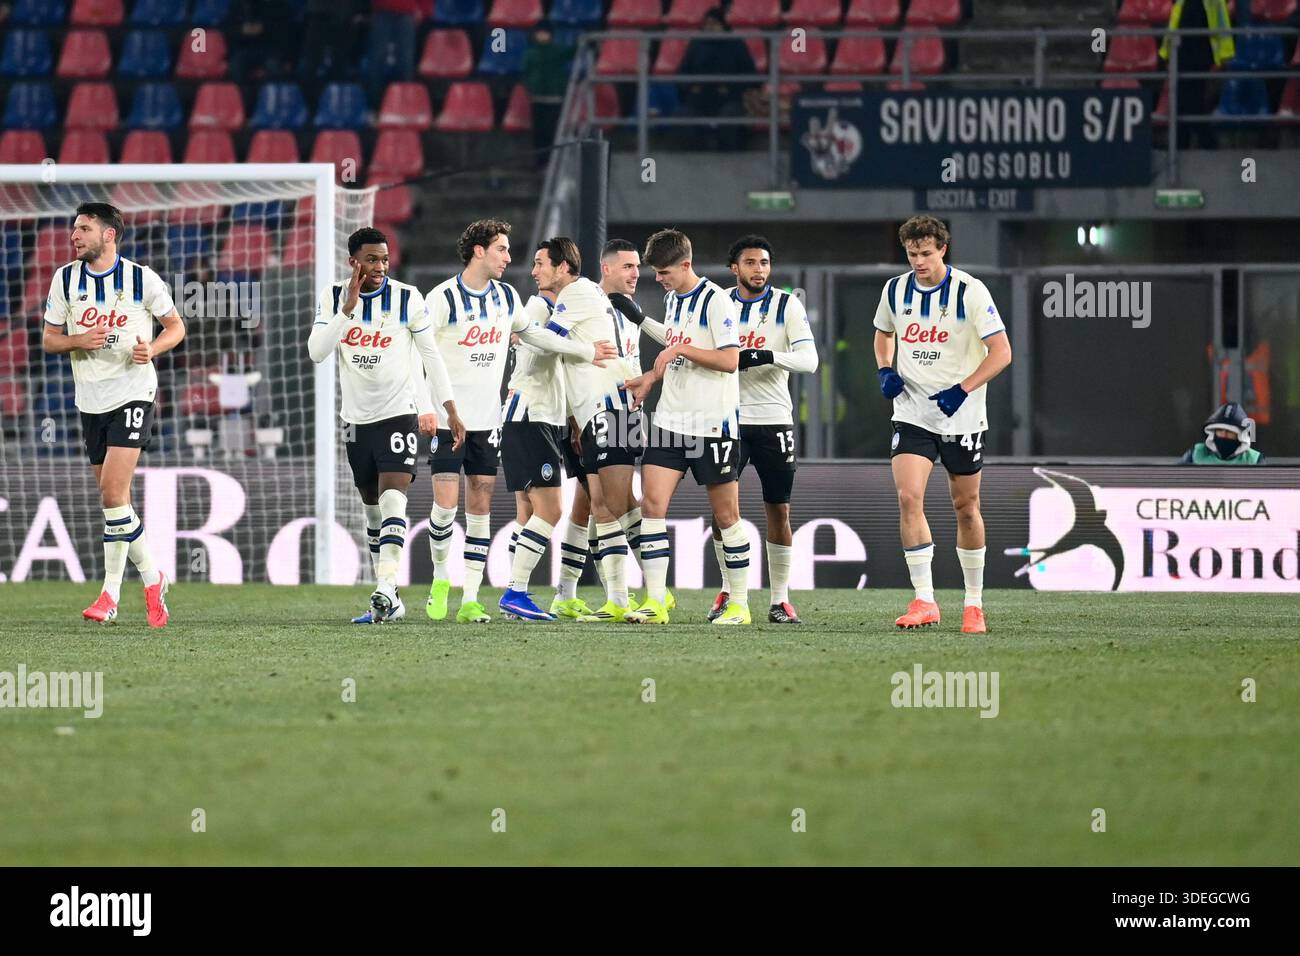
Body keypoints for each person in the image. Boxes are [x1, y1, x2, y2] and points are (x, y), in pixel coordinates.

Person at [422, 221, 602, 624]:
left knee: (482, 508)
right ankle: (439, 575)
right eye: (502, 249)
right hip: (453, 419)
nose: (509, 258)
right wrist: (426, 406)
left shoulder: (506, 298)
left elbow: (536, 337)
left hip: (489, 421)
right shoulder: (442, 298)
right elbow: (422, 352)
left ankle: (470, 598)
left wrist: (585, 351)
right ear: (479, 252)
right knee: (445, 510)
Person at [42, 202, 186, 627]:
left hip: (134, 393)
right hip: (89, 400)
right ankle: (153, 576)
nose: (74, 236)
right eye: (74, 229)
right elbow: (50, 340)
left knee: (111, 493)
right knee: (115, 502)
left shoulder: (142, 278)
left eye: (84, 229)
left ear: (109, 234)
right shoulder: (64, 279)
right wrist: (78, 339)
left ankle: (111, 594)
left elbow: (175, 326)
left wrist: (153, 349)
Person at [872, 216, 1012, 635]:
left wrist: (963, 389)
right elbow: (883, 335)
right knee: (907, 496)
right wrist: (884, 368)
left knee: (965, 507)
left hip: (962, 417)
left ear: (943, 250)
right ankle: (925, 599)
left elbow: (1001, 352)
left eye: (926, 254)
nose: (918, 261)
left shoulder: (970, 291)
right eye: (912, 254)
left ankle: (973, 603)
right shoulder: (895, 289)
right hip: (912, 412)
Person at [308, 227, 455, 623]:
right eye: (371, 259)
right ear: (352, 261)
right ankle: (389, 600)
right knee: (372, 512)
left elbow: (432, 358)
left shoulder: (408, 298)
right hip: (355, 421)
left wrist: (446, 408)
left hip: (399, 413)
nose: (380, 267)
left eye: (384, 259)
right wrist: (347, 310)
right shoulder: (333, 296)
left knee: (394, 500)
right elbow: (317, 352)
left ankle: (386, 587)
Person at [623, 229, 749, 626]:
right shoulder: (672, 299)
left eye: (664, 272)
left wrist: (678, 348)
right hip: (670, 421)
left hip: (713, 424)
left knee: (727, 516)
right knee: (652, 507)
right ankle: (656, 601)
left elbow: (730, 360)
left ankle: (740, 605)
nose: (658, 278)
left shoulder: (718, 301)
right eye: (656, 273)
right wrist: (650, 378)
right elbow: (676, 350)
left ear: (686, 265)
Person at [496, 247, 617, 621]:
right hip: (528, 416)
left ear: (561, 266)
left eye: (539, 263)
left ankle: (520, 595)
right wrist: (583, 350)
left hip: (543, 418)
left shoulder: (562, 308)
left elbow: (549, 359)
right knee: (550, 510)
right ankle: (515, 593)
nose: (533, 270)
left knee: (530, 512)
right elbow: (534, 348)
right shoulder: (536, 308)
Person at [705, 235, 819, 624]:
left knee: (779, 508)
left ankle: (780, 599)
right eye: (751, 263)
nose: (759, 270)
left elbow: (810, 361)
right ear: (734, 268)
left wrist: (766, 355)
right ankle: (728, 592)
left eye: (765, 263)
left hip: (773, 419)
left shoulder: (788, 305)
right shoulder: (717, 302)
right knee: (723, 513)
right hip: (727, 418)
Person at [538, 237, 644, 623]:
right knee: (587, 504)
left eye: (638, 267)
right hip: (584, 414)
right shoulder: (588, 298)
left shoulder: (625, 311)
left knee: (610, 504)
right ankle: (567, 593)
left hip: (611, 411)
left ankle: (634, 594)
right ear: (608, 268)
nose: (636, 274)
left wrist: (519, 332)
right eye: (629, 266)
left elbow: (552, 345)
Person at [1159, 0, 1236, 149]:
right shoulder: (1181, 2)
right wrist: (1168, 54)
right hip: (1182, 58)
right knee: (1182, 104)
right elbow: (1174, 26)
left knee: (1194, 104)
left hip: (1203, 59)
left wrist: (1223, 58)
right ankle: (1185, 145)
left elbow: (1222, 27)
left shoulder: (1215, 3)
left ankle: (1205, 143)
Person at [678, 7, 757, 151]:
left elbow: (751, 76)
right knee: (683, 114)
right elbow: (682, 74)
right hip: (699, 99)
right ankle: (695, 159)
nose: (710, 27)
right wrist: (691, 86)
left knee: (729, 115)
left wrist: (731, 88)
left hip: (729, 98)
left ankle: (729, 159)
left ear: (723, 25)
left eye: (714, 23)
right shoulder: (696, 45)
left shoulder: (736, 44)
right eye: (706, 23)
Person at [520, 23, 575, 163]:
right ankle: (540, 161)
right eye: (540, 33)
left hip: (554, 98)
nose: (542, 36)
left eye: (545, 33)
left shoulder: (557, 51)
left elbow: (571, 52)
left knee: (553, 131)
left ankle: (553, 161)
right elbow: (525, 73)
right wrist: (530, 89)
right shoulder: (530, 53)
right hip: (537, 98)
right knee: (539, 132)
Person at [1180, 402, 1265, 463]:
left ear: (1240, 436)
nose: (1223, 435)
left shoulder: (1254, 460)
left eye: (1229, 431)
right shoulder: (1195, 453)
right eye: (1219, 430)